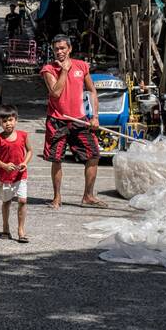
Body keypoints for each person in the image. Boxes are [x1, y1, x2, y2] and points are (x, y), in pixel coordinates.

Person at [39, 34, 104, 208]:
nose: (59, 52)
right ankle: (57, 197)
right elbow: (55, 93)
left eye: (63, 48)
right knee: (57, 158)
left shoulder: (82, 66)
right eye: (56, 49)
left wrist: (95, 116)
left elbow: (92, 91)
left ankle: (88, 196)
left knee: (93, 155)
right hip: (57, 121)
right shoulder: (48, 69)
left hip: (79, 121)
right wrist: (64, 71)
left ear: (70, 49)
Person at [0, 105, 31, 242]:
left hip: (21, 175)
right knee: (7, 202)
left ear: (16, 120)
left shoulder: (23, 136)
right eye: (5, 121)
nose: (8, 124)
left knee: (23, 201)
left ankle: (21, 230)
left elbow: (30, 151)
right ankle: (5, 227)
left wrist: (25, 162)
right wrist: (4, 165)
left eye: (11, 120)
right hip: (6, 177)